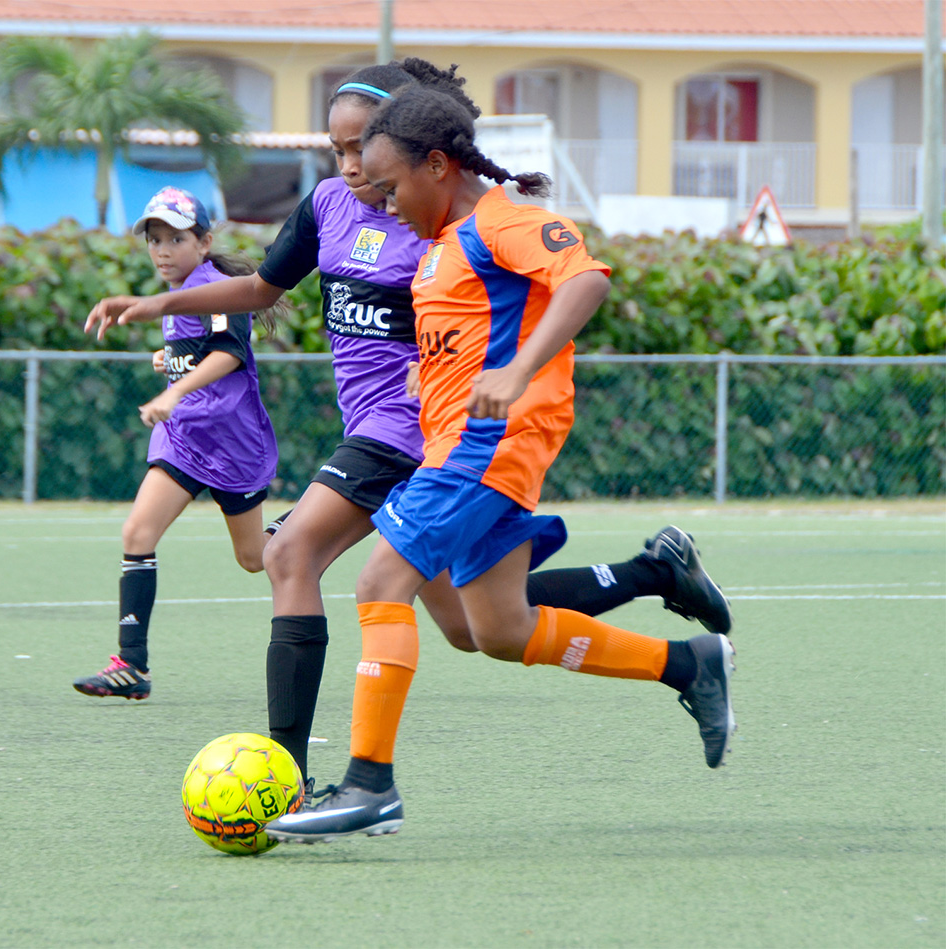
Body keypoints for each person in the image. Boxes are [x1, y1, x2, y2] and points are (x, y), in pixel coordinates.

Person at [84, 61, 731, 782]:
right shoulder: (330, 206)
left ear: (407, 149)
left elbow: (524, 291)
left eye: (364, 146)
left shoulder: (433, 215)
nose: (353, 165)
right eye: (338, 149)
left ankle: (291, 778)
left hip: (414, 433)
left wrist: (501, 370)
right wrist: (159, 305)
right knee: (482, 626)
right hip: (385, 430)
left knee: (289, 554)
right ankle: (664, 607)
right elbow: (264, 287)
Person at [265, 86, 737, 843]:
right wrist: (429, 373)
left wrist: (518, 372)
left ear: (439, 165)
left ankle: (369, 782)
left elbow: (584, 279)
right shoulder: (445, 245)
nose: (383, 203)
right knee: (498, 628)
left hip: (490, 444)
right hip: (457, 445)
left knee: (380, 581)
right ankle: (689, 663)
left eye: (391, 187)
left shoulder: (501, 220)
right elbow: (459, 339)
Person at [73, 187, 280, 700]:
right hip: (185, 438)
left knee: (255, 558)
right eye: (155, 239)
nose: (162, 250)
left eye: (176, 238)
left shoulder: (216, 288)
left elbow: (228, 355)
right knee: (137, 531)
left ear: (205, 242)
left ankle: (313, 520)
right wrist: (170, 363)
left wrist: (176, 390)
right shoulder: (175, 294)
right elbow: (199, 352)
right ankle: (131, 666)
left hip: (232, 441)